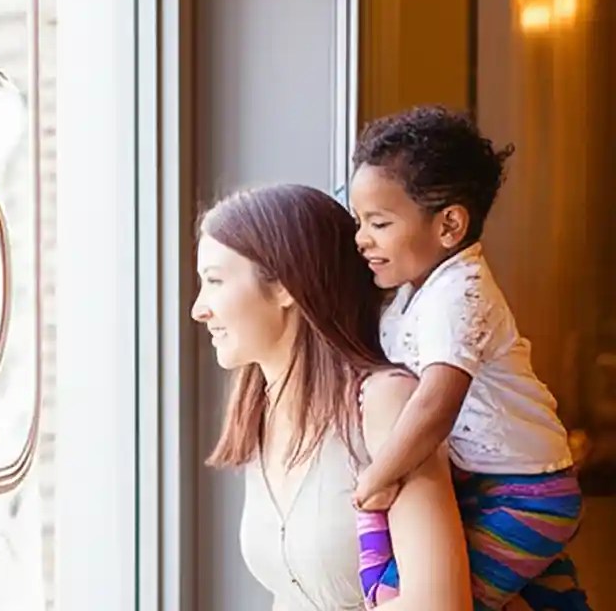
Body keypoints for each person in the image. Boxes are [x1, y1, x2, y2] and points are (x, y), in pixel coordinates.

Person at [348, 105, 588, 609]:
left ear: (449, 224)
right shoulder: (415, 293)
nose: (361, 238)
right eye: (357, 221)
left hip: (524, 496)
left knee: (420, 593)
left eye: (379, 222)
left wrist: (378, 476)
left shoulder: (460, 294)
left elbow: (437, 403)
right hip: (490, 485)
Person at [192, 184, 471, 610]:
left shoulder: (384, 403)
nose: (199, 308)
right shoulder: (261, 412)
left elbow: (440, 604)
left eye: (214, 281)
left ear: (285, 285)